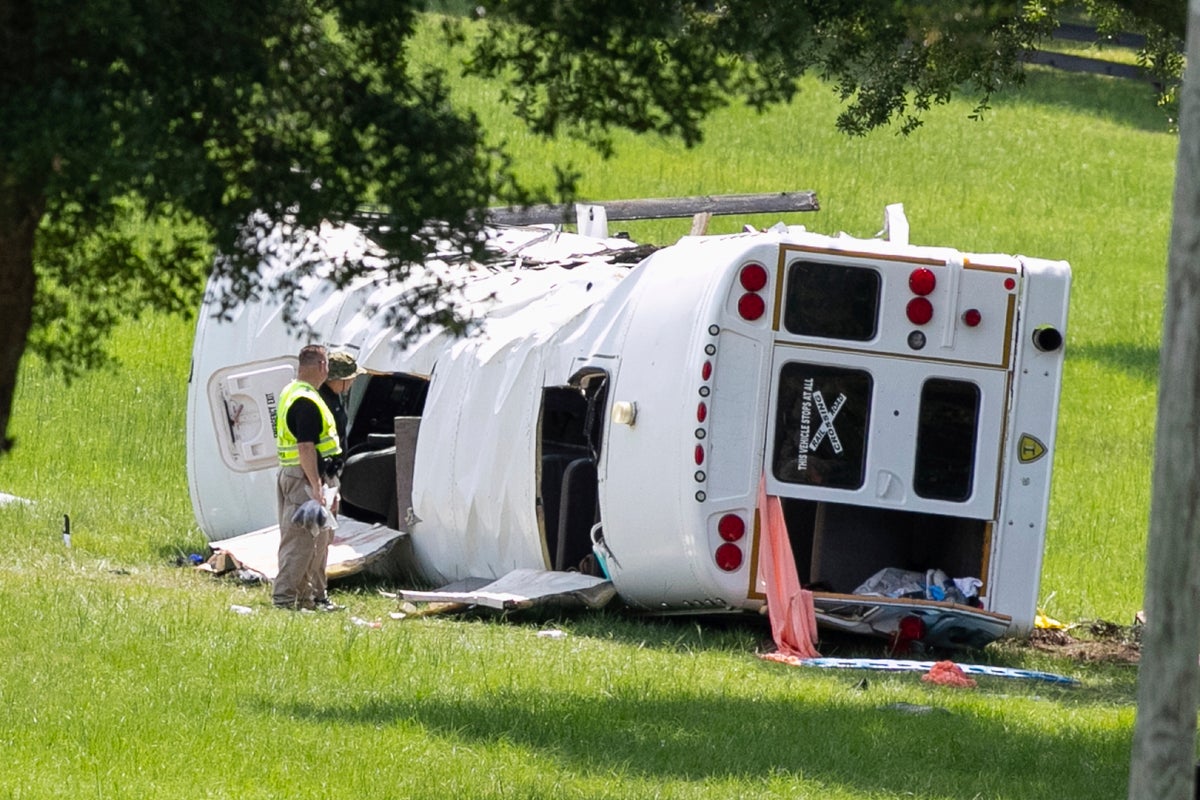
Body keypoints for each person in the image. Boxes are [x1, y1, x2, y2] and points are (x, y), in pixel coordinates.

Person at [274, 344, 343, 611]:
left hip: (307, 476)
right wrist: (316, 484)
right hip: (305, 479)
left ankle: (307, 599)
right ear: (322, 366)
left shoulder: (293, 391)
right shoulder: (306, 400)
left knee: (317, 540)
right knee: (300, 541)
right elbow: (305, 446)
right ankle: (284, 599)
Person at [308, 351, 365, 610]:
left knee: (325, 536)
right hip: (324, 475)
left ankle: (317, 591)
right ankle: (312, 593)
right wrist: (321, 479)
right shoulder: (323, 401)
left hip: (331, 474)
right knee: (318, 537)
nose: (352, 382)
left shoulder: (333, 399)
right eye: (350, 378)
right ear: (338, 379)